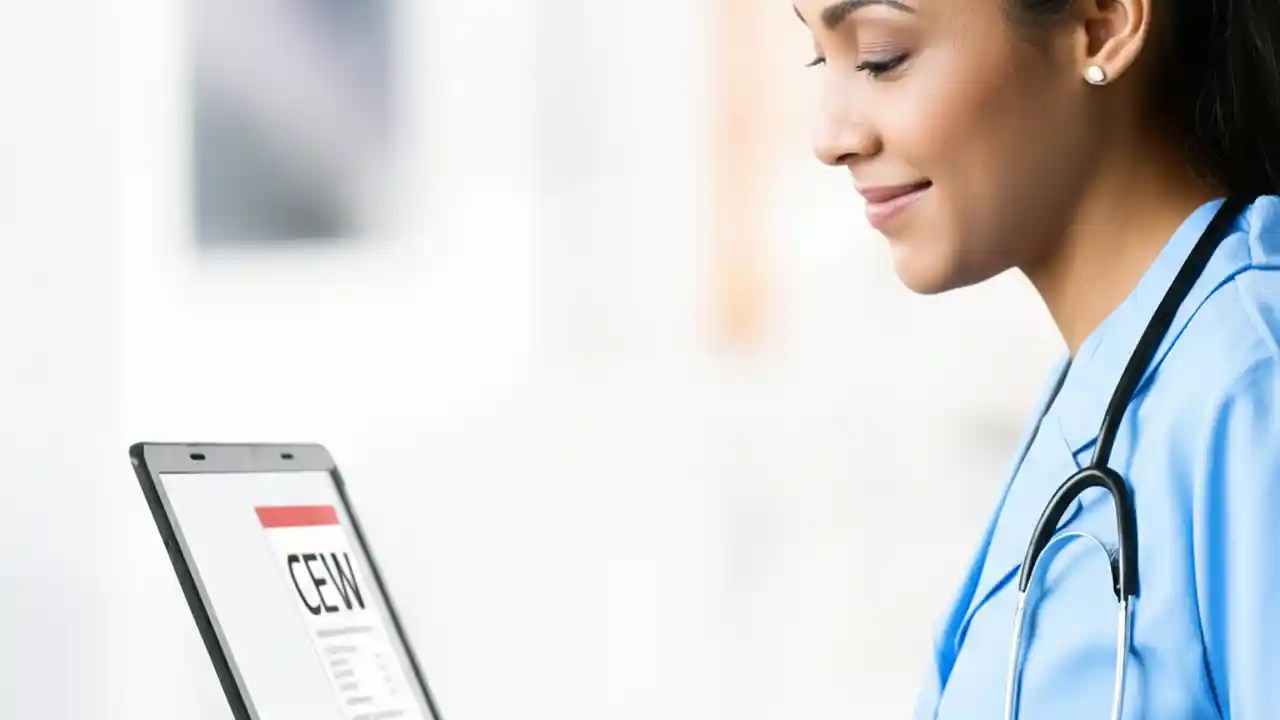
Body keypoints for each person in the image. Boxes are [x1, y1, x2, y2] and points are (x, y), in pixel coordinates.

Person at [793, 0, 1280, 716]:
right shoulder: (1103, 391)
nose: (830, 138)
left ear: (1103, 24)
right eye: (819, 58)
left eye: (881, 57)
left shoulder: (1249, 388)